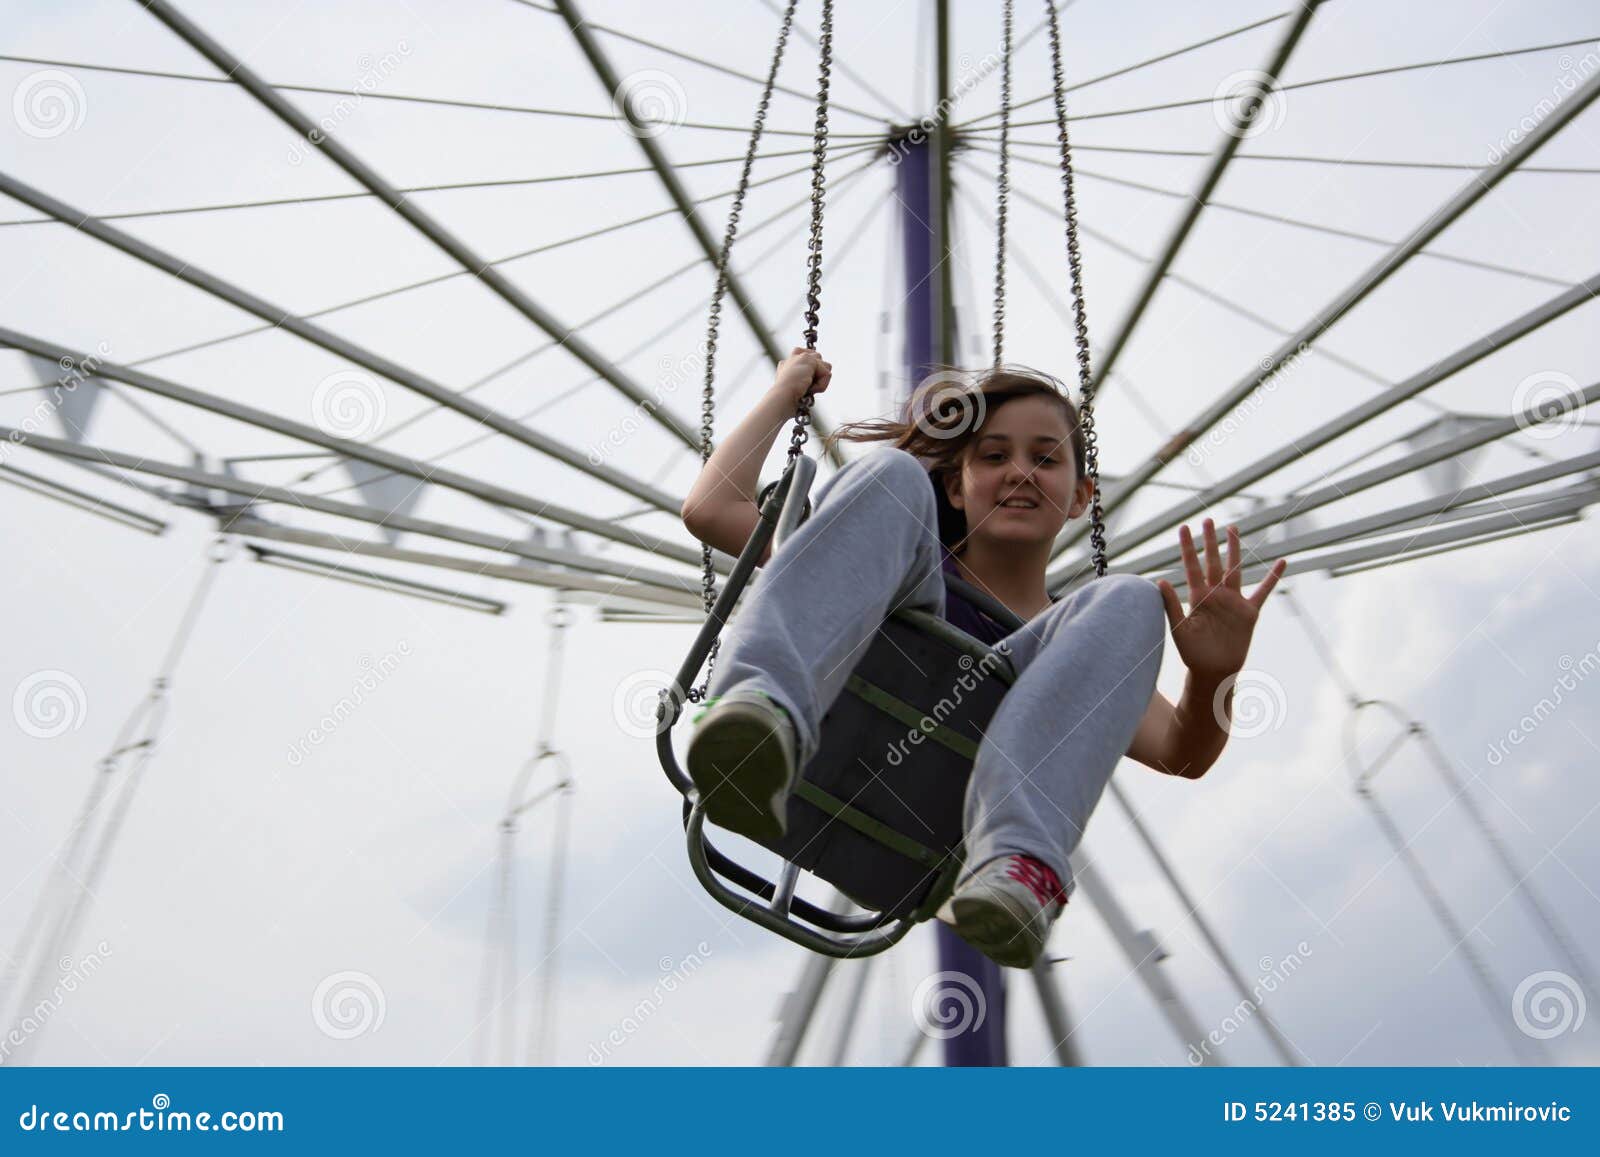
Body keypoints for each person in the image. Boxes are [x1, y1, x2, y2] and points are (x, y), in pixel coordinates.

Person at [679, 348, 1287, 967]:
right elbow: (712, 510)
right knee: (890, 473)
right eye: (994, 456)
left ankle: (1018, 863)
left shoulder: (1077, 646)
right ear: (956, 486)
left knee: (1131, 597)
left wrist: (1214, 672)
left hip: (928, 835)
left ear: (1081, 497)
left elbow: (1182, 753)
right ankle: (760, 715)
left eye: (1045, 459)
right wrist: (785, 395)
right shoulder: (884, 557)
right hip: (804, 761)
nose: (1020, 472)